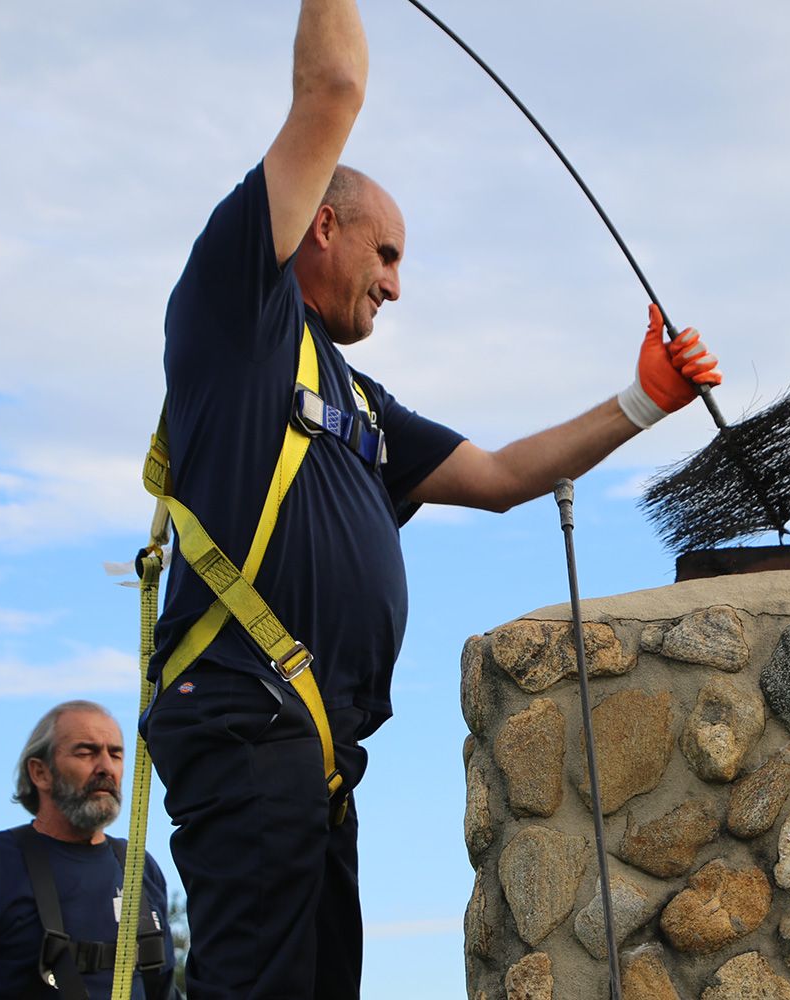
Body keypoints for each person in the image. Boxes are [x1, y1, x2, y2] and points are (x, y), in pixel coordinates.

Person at [142, 2, 721, 997]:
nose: (396, 285)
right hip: (247, 725)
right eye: (386, 253)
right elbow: (331, 90)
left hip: (312, 759)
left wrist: (645, 400)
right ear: (322, 221)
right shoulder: (240, 314)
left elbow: (498, 478)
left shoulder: (359, 403)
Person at [0, 701, 179, 1000]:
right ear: (40, 773)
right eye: (86, 752)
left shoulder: (139, 868)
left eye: (116, 754)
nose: (106, 768)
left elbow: (162, 989)